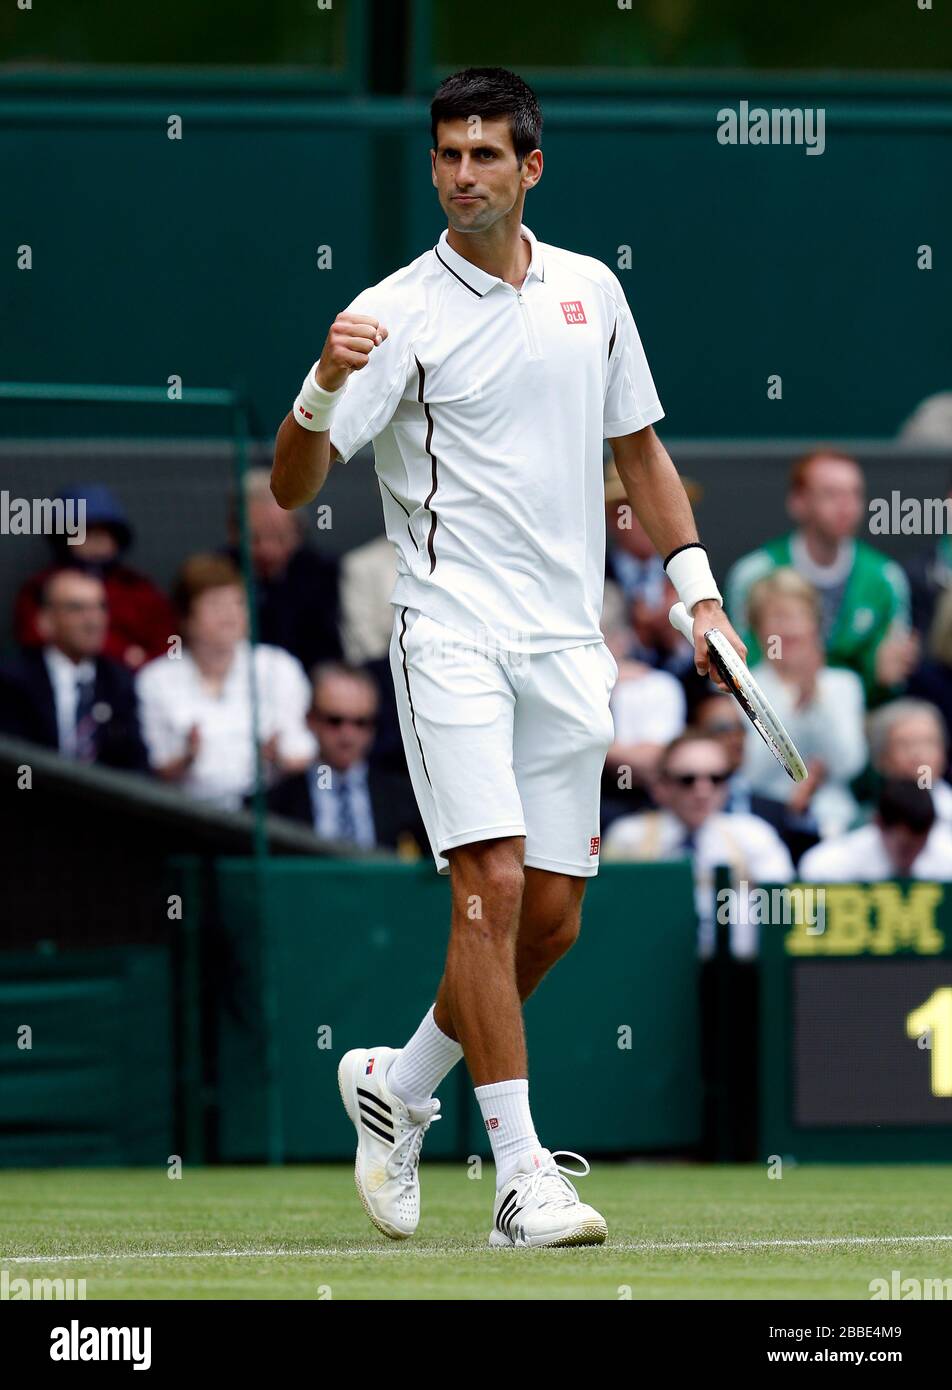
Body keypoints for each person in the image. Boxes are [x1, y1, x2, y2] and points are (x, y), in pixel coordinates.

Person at [271, 67, 747, 1249]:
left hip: (564, 647)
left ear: (530, 168)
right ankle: (521, 1177)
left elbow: (638, 454)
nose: (464, 173)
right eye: (448, 155)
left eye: (488, 154)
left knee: (549, 924)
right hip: (451, 641)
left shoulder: (592, 290)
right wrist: (324, 384)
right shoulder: (392, 313)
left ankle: (401, 1082)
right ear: (432, 167)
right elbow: (292, 487)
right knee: (483, 887)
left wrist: (697, 593)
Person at [724, 450, 917, 706]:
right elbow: (739, 660)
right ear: (798, 502)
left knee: (914, 723)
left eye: (854, 494)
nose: (846, 506)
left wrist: (882, 674)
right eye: (831, 494)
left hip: (861, 711)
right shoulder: (755, 573)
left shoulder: (886, 578)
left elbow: (887, 677)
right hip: (769, 707)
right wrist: (785, 666)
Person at [135, 554, 316, 810]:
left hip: (271, 811)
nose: (229, 614)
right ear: (187, 617)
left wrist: (278, 757)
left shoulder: (278, 666)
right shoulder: (155, 679)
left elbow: (305, 753)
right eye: (215, 604)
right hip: (187, 815)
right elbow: (153, 769)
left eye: (238, 603)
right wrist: (187, 758)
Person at [603, 731, 794, 957]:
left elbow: (781, 908)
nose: (702, 791)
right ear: (661, 786)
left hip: (737, 974)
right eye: (687, 780)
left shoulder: (753, 834)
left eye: (716, 778)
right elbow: (609, 912)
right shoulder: (628, 836)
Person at [743, 569, 866, 839]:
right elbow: (750, 772)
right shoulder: (737, 685)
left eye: (800, 616)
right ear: (757, 626)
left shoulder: (843, 684)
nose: (790, 629)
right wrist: (798, 706)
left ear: (815, 624)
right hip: (762, 822)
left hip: (835, 823)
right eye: (778, 617)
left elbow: (849, 764)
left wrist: (816, 701)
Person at [267, 661, 426, 855]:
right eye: (335, 721)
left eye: (361, 723)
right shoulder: (275, 803)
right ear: (311, 719)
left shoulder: (408, 800)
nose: (348, 735)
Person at [14, 482, 175, 670]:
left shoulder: (139, 589)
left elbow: (167, 645)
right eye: (86, 531)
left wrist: (146, 665)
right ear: (64, 536)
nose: (97, 540)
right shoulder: (40, 589)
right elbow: (34, 641)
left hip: (132, 686)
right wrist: (120, 652)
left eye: (105, 532)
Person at [0, 568, 148, 771]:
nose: (93, 621)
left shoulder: (118, 683)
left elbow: (137, 767)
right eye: (77, 608)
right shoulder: (13, 679)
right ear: (46, 621)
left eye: (101, 607)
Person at [228, 467, 343, 673]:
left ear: (299, 533)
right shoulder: (220, 573)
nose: (268, 550)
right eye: (254, 539)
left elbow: (329, 651)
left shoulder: (322, 573)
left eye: (280, 538)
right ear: (233, 533)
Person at [799, 780, 952, 882]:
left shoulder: (946, 856)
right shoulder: (838, 861)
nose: (913, 854)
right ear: (879, 823)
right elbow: (812, 868)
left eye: (921, 845)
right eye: (905, 847)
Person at [866, 697, 952, 824]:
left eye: (928, 742)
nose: (918, 754)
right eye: (905, 744)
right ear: (882, 758)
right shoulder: (865, 818)